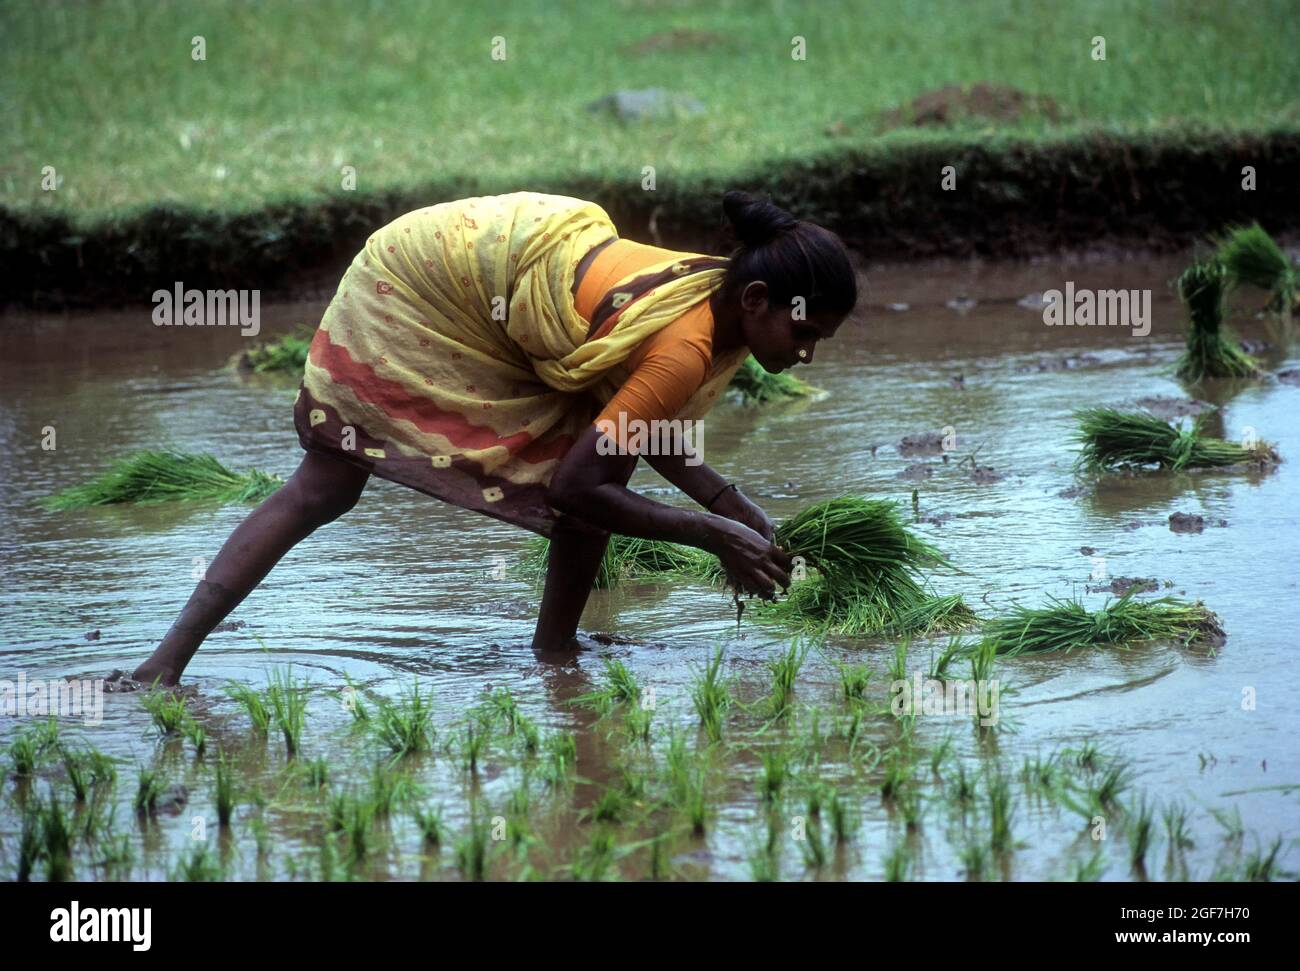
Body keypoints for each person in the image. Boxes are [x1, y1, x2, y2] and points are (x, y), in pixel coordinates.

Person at [127, 189, 858, 686]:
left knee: (602, 470)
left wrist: (741, 511)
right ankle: (161, 665)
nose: (806, 353)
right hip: (425, 282)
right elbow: (582, 482)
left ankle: (555, 658)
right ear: (759, 301)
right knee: (328, 485)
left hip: (497, 267)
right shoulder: (687, 345)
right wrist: (716, 535)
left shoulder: (719, 295)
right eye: (803, 332)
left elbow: (640, 426)